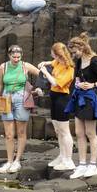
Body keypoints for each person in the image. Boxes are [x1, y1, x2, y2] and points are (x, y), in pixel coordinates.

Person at [66, 35, 97, 179]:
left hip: (91, 99)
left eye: (74, 52)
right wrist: (78, 84)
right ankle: (81, 165)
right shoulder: (80, 60)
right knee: (79, 132)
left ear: (81, 48)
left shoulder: (95, 61)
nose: (73, 56)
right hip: (80, 97)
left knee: (90, 133)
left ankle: (92, 166)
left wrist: (93, 85)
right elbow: (79, 77)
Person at [0, 45, 41, 173]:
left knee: (21, 132)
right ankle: (9, 161)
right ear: (9, 56)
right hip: (6, 98)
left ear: (21, 56)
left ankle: (17, 161)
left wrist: (37, 88)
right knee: (9, 134)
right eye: (14, 57)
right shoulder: (3, 67)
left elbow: (42, 75)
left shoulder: (25, 66)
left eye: (18, 57)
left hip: (21, 98)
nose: (16, 59)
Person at [37, 42, 76, 171]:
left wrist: (44, 72)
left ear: (57, 54)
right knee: (57, 129)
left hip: (62, 99)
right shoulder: (57, 62)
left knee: (64, 130)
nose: (51, 55)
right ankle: (62, 156)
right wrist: (45, 63)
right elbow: (52, 62)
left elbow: (55, 82)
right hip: (54, 96)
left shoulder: (69, 68)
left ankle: (69, 160)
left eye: (52, 53)